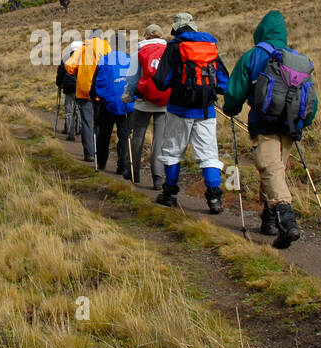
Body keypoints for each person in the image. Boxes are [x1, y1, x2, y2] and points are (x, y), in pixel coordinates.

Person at [221, 10, 318, 249]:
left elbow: (234, 93)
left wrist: (231, 109)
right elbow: (310, 99)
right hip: (291, 124)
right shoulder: (296, 58)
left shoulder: (252, 56)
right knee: (276, 168)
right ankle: (269, 219)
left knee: (269, 166)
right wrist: (304, 122)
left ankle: (286, 220)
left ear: (260, 31)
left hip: (264, 123)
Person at [152, 13, 228, 213]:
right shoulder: (209, 46)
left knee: (172, 151)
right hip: (206, 110)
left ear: (176, 29)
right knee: (209, 155)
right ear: (193, 27)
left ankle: (170, 193)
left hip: (178, 109)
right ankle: (214, 199)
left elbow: (161, 81)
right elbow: (223, 83)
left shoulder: (174, 47)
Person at [123, 25, 170, 187]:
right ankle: (158, 177)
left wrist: (129, 95)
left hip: (143, 102)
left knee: (138, 137)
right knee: (159, 140)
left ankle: (133, 171)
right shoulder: (169, 50)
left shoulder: (139, 51)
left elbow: (133, 79)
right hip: (164, 103)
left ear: (146, 36)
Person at [90, 40, 134, 175]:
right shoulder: (129, 60)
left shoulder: (104, 60)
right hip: (126, 104)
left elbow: (97, 81)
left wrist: (95, 97)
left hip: (107, 104)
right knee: (124, 135)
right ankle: (123, 165)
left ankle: (102, 162)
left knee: (104, 134)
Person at [65, 30, 109, 162]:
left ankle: (89, 153)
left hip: (85, 90)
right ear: (101, 37)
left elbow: (69, 65)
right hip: (102, 90)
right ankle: (101, 154)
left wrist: (79, 71)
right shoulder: (107, 47)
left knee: (87, 122)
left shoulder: (84, 47)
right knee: (100, 123)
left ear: (90, 37)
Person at [56, 40, 83, 140]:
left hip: (68, 88)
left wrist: (59, 84)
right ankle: (78, 128)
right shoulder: (84, 58)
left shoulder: (65, 59)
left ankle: (69, 129)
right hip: (80, 88)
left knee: (69, 110)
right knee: (79, 110)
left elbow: (60, 74)